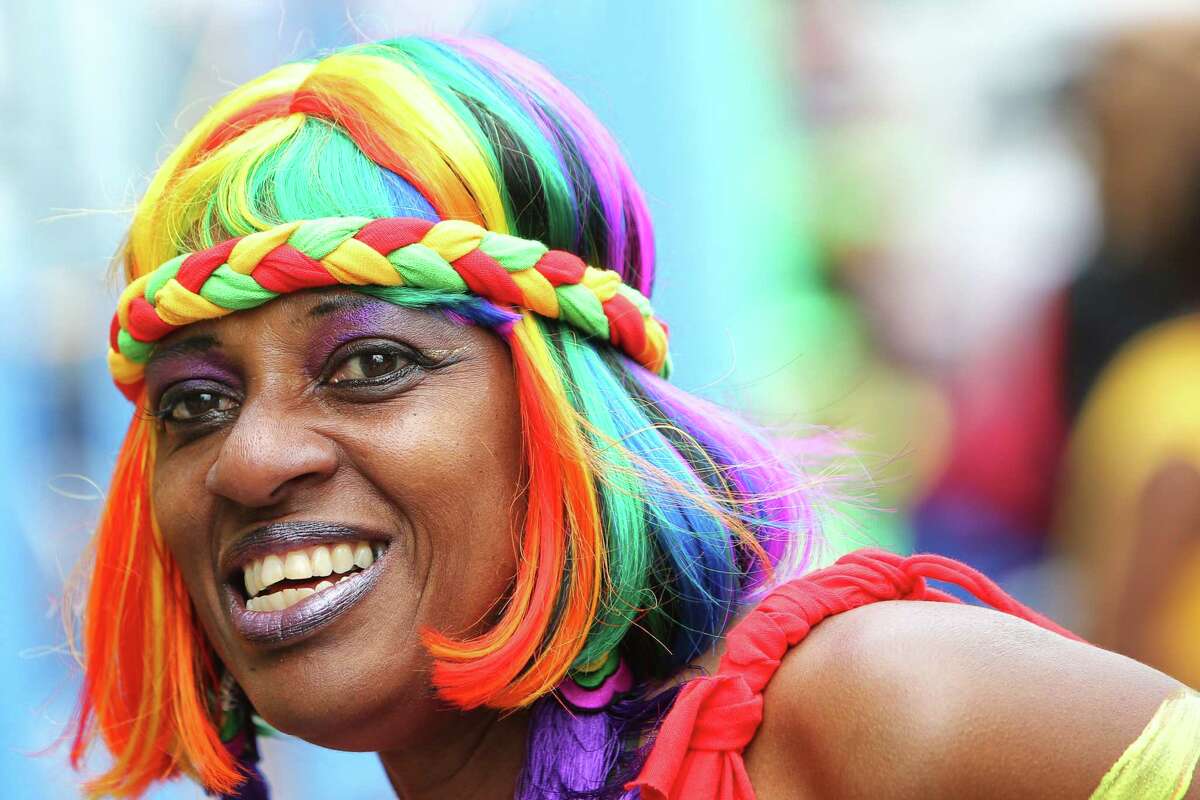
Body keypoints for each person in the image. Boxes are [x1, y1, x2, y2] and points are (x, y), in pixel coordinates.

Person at [68, 37, 1198, 800]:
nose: (249, 459)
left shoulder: (881, 713)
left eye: (369, 361)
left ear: (571, 414)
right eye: (197, 403)